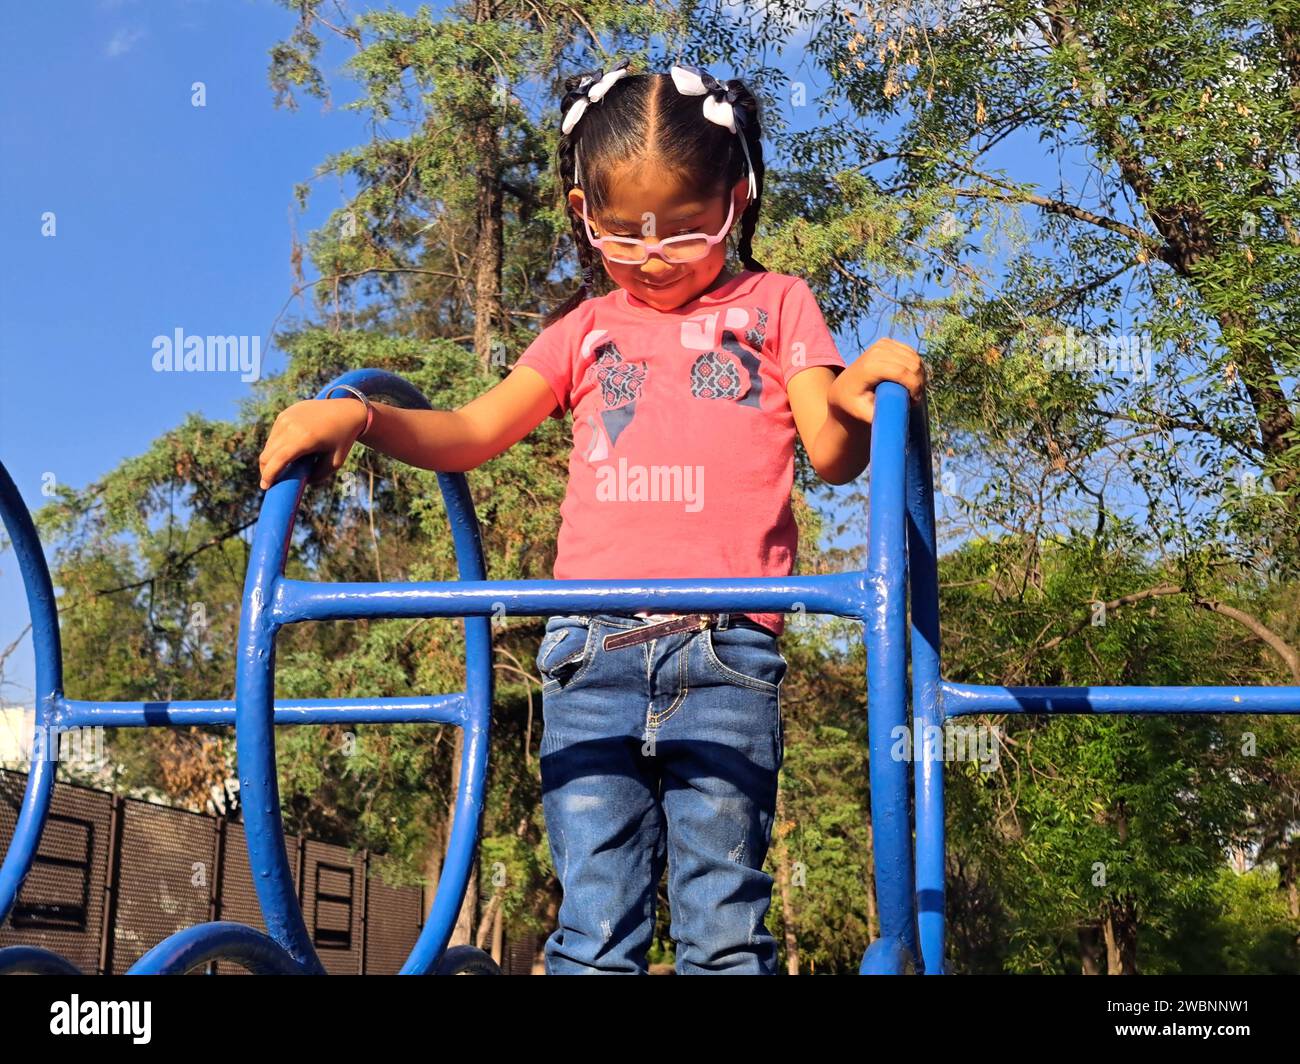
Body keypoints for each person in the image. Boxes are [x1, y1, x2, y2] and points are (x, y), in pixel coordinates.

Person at [257, 58, 925, 975]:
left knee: (724, 927)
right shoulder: (585, 328)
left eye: (688, 234)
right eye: (626, 237)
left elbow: (834, 454)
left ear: (739, 198)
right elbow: (471, 431)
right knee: (594, 928)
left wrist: (857, 392)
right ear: (583, 214)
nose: (655, 259)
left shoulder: (777, 306)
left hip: (728, 651)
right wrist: (363, 417)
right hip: (589, 653)